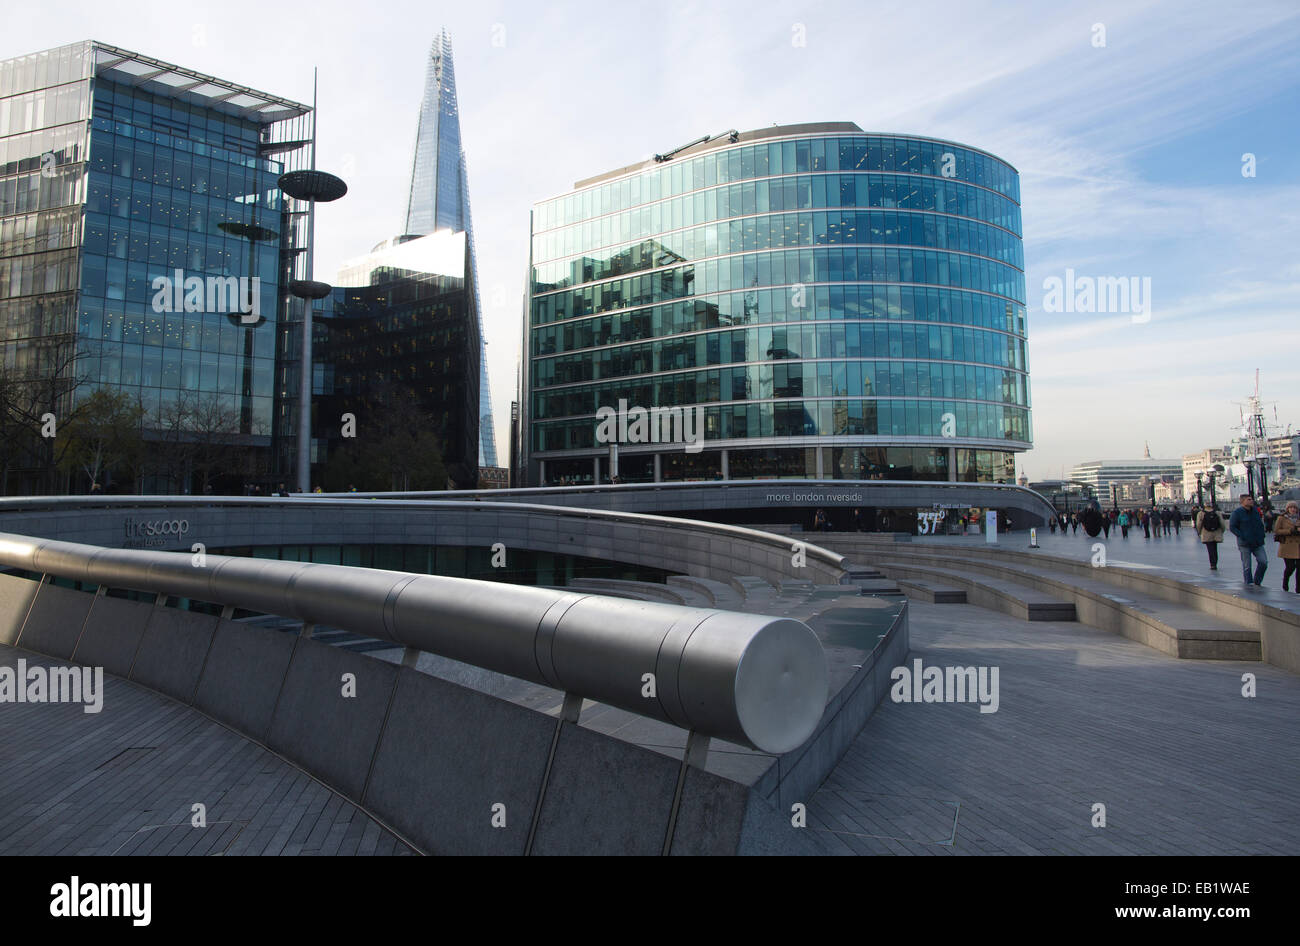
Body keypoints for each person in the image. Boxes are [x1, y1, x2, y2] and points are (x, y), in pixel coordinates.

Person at [1228, 494, 1267, 587]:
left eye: (1251, 499)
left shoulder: (1255, 511)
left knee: (1263, 562)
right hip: (1244, 543)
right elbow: (1232, 527)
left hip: (1257, 542)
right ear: (1242, 501)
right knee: (1247, 566)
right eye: (1249, 499)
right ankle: (1249, 584)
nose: (1251, 501)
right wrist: (1242, 536)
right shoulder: (1237, 513)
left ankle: (1257, 581)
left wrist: (1262, 535)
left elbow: (1260, 524)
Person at [1272, 501, 1300, 592]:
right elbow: (1276, 530)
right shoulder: (1281, 518)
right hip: (1287, 546)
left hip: (1298, 545)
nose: (1293, 509)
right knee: (1290, 567)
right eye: (1291, 507)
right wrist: (1289, 531)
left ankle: (1298, 589)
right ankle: (1285, 582)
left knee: (1299, 567)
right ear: (1287, 509)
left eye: (1295, 508)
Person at [1195, 504, 1224, 570]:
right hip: (1216, 533)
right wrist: (1222, 531)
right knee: (1215, 549)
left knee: (1210, 549)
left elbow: (1198, 524)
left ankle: (1212, 564)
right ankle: (1215, 563)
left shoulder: (1201, 513)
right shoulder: (1217, 512)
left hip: (1206, 533)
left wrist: (1199, 532)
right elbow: (1222, 523)